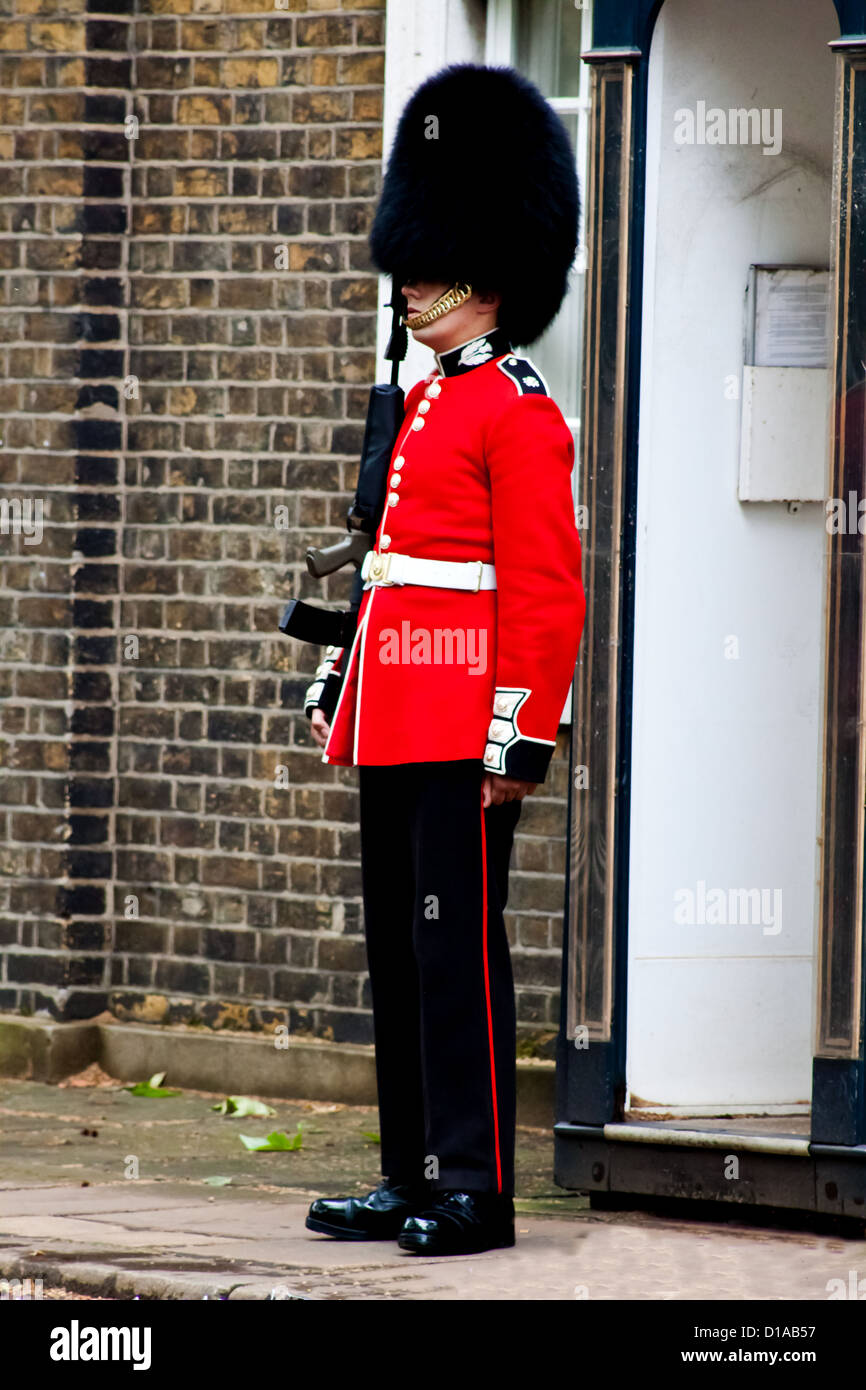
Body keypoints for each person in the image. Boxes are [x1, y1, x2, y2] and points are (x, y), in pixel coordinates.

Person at [302, 63, 586, 1256]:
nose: (407, 277)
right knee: (397, 946)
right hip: (396, 709)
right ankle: (412, 1171)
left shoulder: (515, 411)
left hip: (464, 723)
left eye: (429, 259)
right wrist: (342, 683)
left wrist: (515, 734)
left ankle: (472, 1183)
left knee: (452, 945)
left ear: (490, 274)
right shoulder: (423, 401)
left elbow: (541, 592)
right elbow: (391, 569)